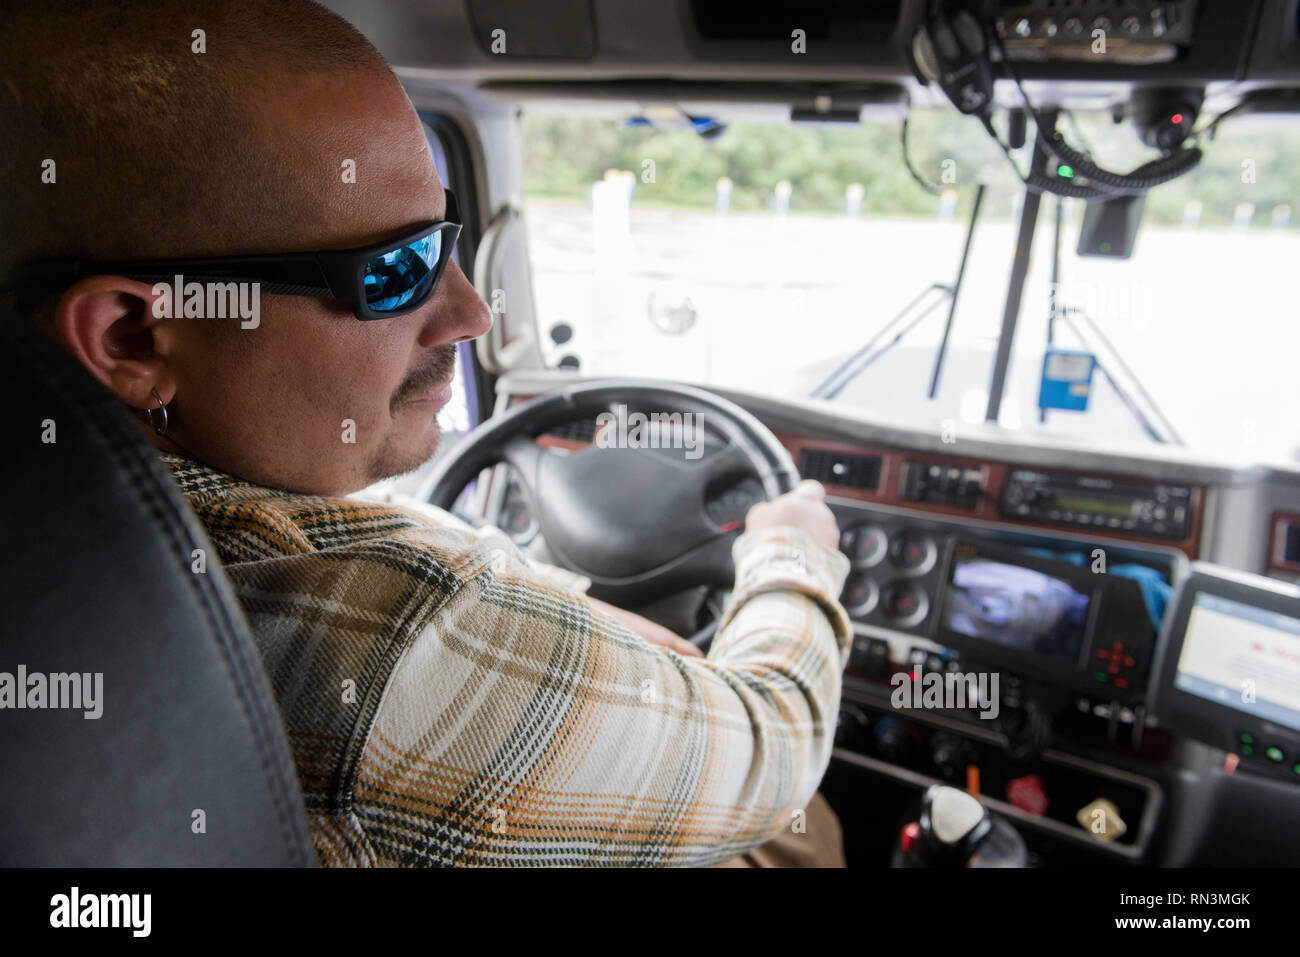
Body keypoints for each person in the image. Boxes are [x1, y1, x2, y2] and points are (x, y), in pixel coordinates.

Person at [1, 0, 852, 866]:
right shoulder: (395, 639)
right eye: (395, 270)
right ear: (132, 337)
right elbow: (776, 742)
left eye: (447, 234)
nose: (473, 313)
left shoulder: (61, 551)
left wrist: (560, 611)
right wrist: (792, 556)